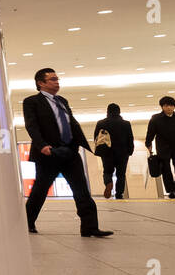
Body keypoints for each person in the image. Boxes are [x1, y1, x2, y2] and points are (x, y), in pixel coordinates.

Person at [22, 68, 111, 237]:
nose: (57, 82)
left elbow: (70, 122)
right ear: (41, 83)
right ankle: (27, 222)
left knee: (82, 190)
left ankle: (90, 227)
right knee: (40, 190)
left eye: (57, 79)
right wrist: (42, 146)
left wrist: (76, 144)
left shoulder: (62, 100)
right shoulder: (32, 102)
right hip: (49, 153)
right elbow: (31, 125)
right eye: (53, 79)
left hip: (70, 152)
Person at [145, 96, 175, 199]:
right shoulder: (156, 118)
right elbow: (150, 133)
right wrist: (148, 143)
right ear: (162, 107)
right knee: (166, 169)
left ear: (174, 106)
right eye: (166, 105)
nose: (169, 108)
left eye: (171, 105)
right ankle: (171, 190)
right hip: (163, 147)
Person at [93, 103, 134, 199]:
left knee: (107, 172)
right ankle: (119, 193)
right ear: (119, 112)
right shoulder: (126, 123)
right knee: (121, 174)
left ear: (107, 111)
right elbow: (130, 138)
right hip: (122, 153)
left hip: (106, 152)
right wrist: (130, 151)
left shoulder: (101, 123)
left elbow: (96, 137)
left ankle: (109, 183)